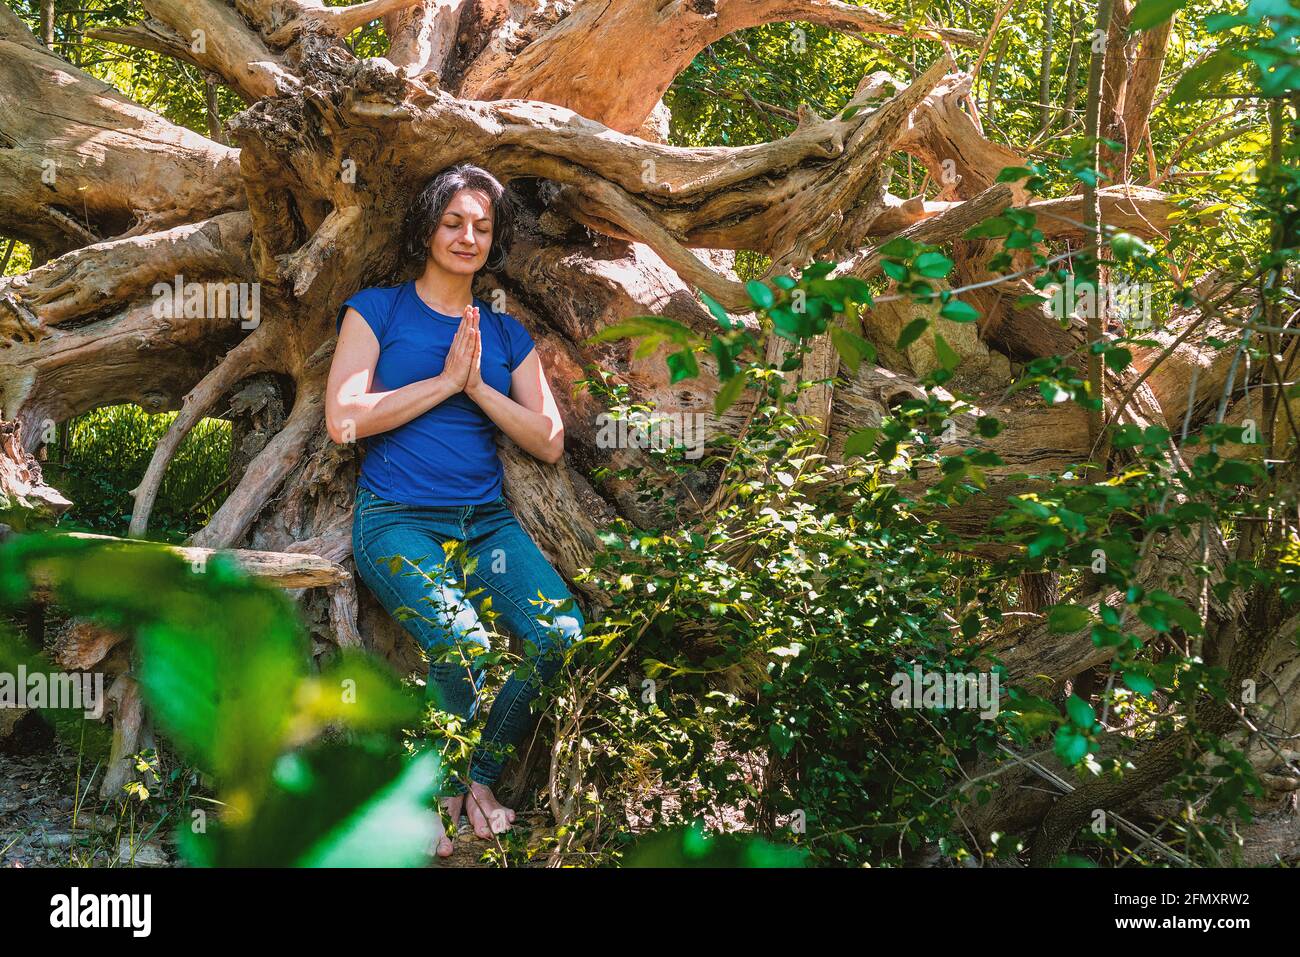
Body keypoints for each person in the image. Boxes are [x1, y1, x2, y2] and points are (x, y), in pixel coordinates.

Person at [325, 164, 585, 857]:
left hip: (486, 526)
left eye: (482, 225)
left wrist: (476, 388)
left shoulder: (503, 334)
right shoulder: (376, 309)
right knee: (464, 643)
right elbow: (343, 418)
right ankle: (434, 793)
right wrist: (442, 381)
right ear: (428, 227)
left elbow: (550, 439)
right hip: (397, 519)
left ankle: (477, 780)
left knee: (560, 632)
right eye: (453, 221)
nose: (467, 235)